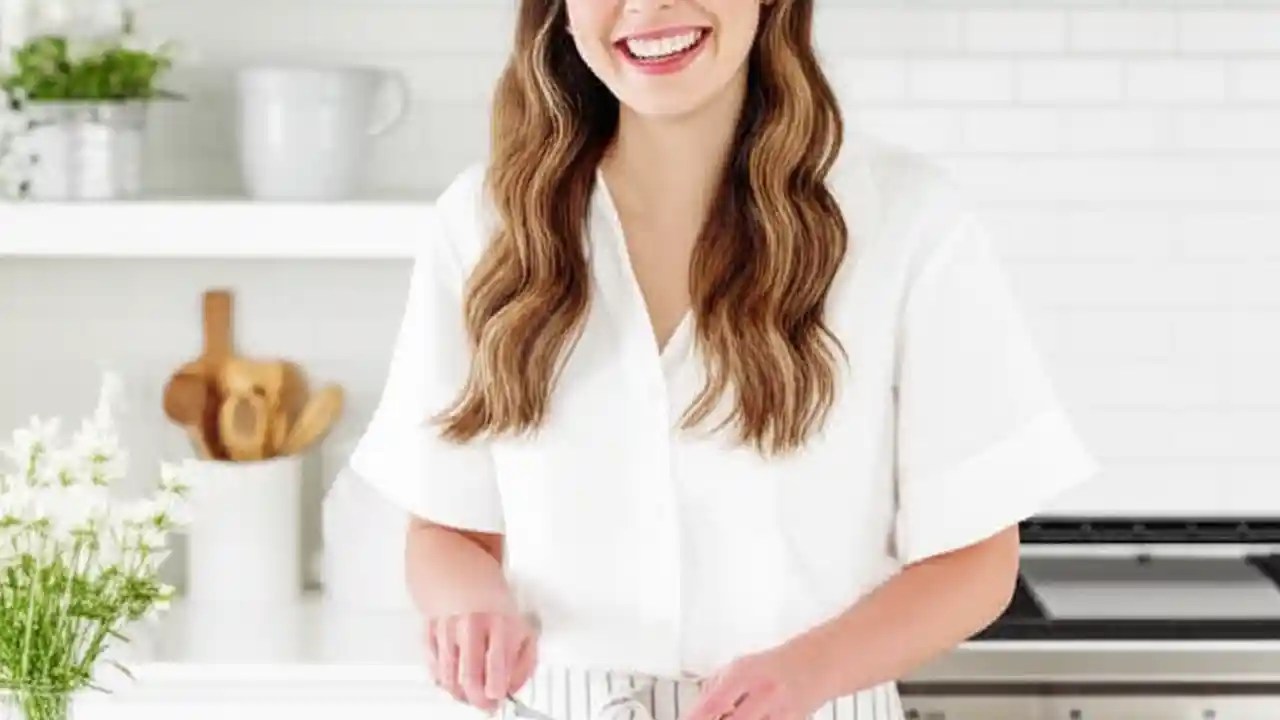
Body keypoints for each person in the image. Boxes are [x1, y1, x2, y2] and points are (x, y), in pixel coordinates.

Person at [348, 0, 1099, 719]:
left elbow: (977, 564)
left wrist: (809, 672)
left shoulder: (910, 221)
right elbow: (448, 528)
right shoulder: (484, 224)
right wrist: (470, 607)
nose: (646, 7)